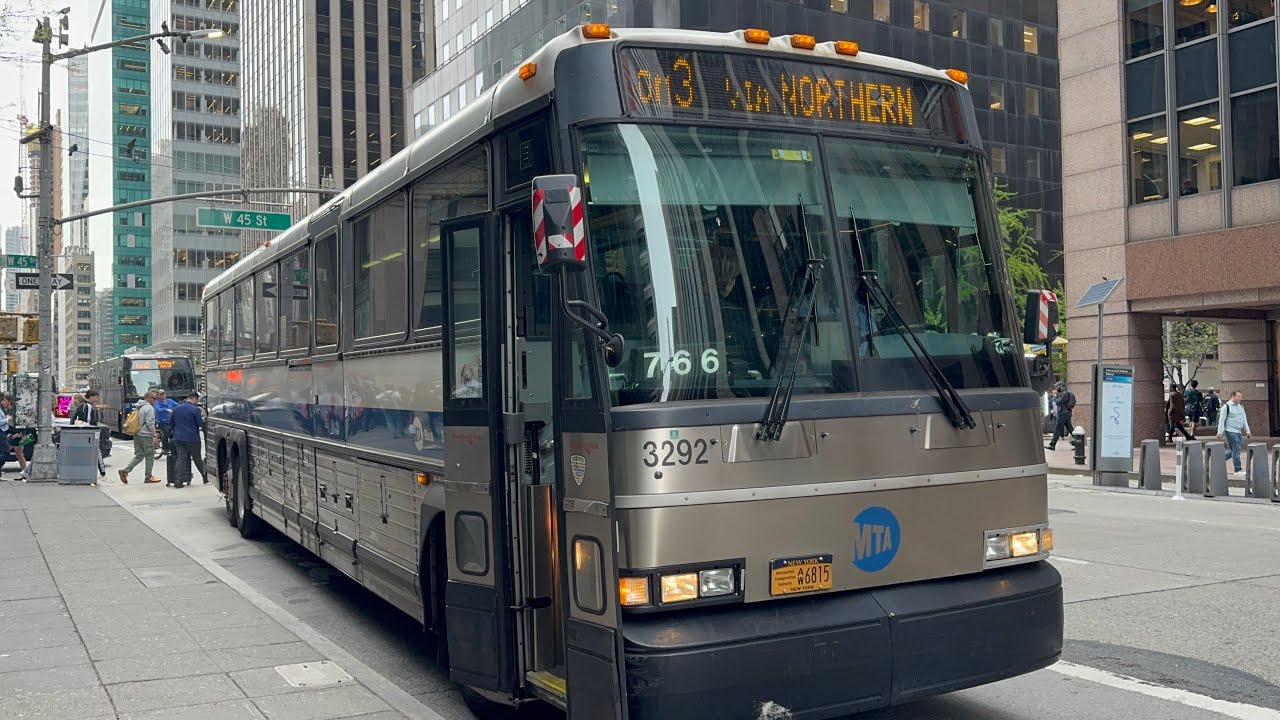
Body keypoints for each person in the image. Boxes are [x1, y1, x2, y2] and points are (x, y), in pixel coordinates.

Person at [119, 391, 160, 484]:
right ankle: (148, 476)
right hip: (146, 434)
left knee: (139, 455)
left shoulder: (139, 406)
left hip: (137, 433)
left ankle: (125, 471)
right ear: (148, 398)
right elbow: (150, 423)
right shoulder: (149, 408)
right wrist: (154, 435)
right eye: (154, 398)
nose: (155, 401)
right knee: (150, 455)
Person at [170, 391, 206, 487]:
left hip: (178, 438)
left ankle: (178, 481)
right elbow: (200, 423)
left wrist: (176, 431)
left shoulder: (176, 409)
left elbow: (171, 423)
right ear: (195, 399)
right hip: (192, 438)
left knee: (181, 458)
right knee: (197, 458)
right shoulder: (195, 410)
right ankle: (205, 477)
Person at [71, 389, 107, 479]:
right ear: (91, 397)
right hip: (88, 434)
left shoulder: (82, 405)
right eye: (96, 397)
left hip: (81, 434)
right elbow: (87, 421)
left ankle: (82, 473)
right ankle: (102, 473)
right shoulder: (88, 406)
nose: (97, 399)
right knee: (97, 452)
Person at [1216, 390, 1251, 477]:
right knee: (1236, 449)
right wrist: (1220, 432)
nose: (1240, 398)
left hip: (1238, 431)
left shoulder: (1241, 406)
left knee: (1234, 450)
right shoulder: (1226, 407)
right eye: (1238, 397)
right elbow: (1221, 420)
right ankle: (1237, 469)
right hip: (1230, 431)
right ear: (1233, 396)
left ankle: (1218, 460)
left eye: (1241, 397)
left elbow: (1244, 418)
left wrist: (1247, 430)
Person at [1045, 381, 1076, 451]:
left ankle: (1052, 445)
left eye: (1057, 386)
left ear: (1061, 386)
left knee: (1057, 428)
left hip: (1063, 413)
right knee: (1070, 428)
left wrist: (1055, 396)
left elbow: (1058, 402)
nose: (1056, 388)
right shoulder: (1062, 393)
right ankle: (1079, 443)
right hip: (1065, 413)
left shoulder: (1064, 393)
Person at [153, 389, 178, 459]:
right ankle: (165, 448)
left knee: (176, 432)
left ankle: (174, 447)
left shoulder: (170, 401)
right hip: (162, 421)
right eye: (161, 394)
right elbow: (158, 409)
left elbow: (177, 405)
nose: (163, 395)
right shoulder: (157, 403)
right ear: (158, 395)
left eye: (163, 394)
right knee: (166, 432)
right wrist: (166, 410)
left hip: (171, 420)